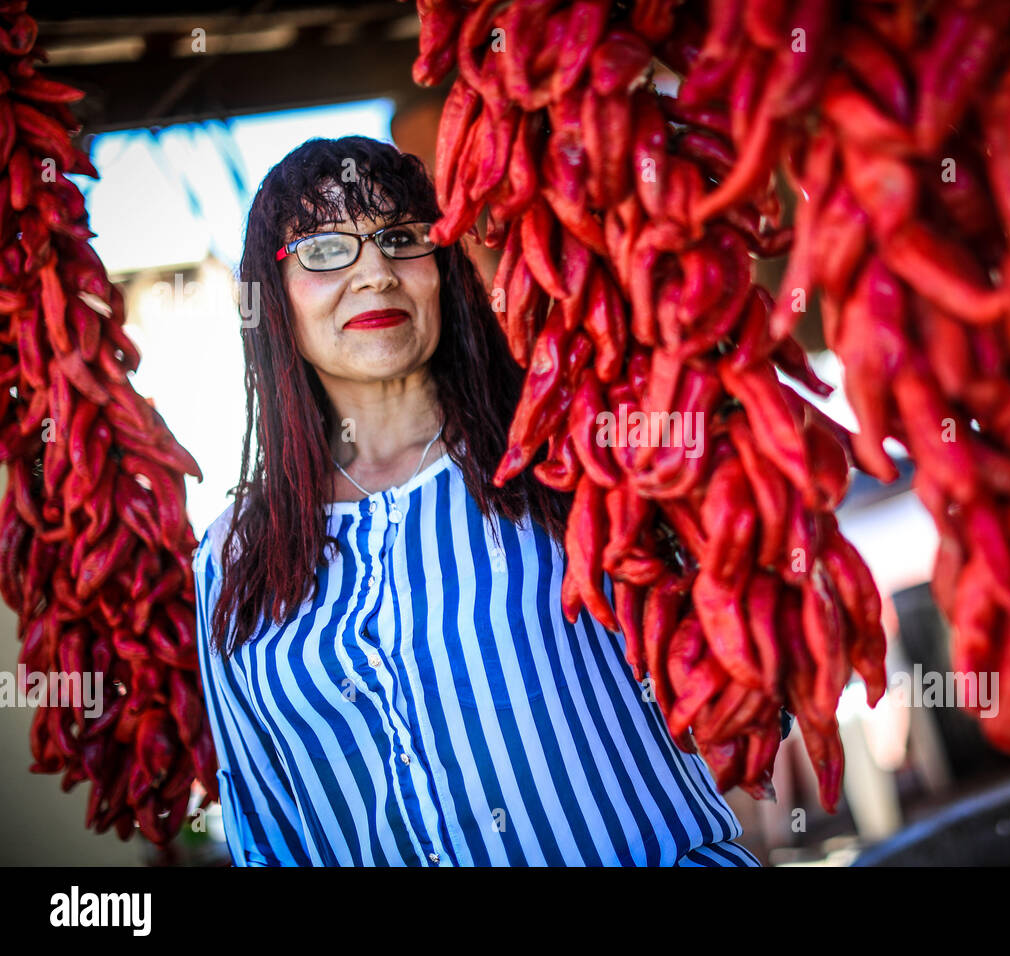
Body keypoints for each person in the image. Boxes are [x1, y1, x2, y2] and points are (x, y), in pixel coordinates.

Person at [192, 135, 763, 866]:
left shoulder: (568, 460)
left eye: (402, 239)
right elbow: (266, 827)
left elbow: (738, 657)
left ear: (444, 269)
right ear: (274, 299)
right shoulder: (234, 558)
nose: (375, 274)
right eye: (326, 248)